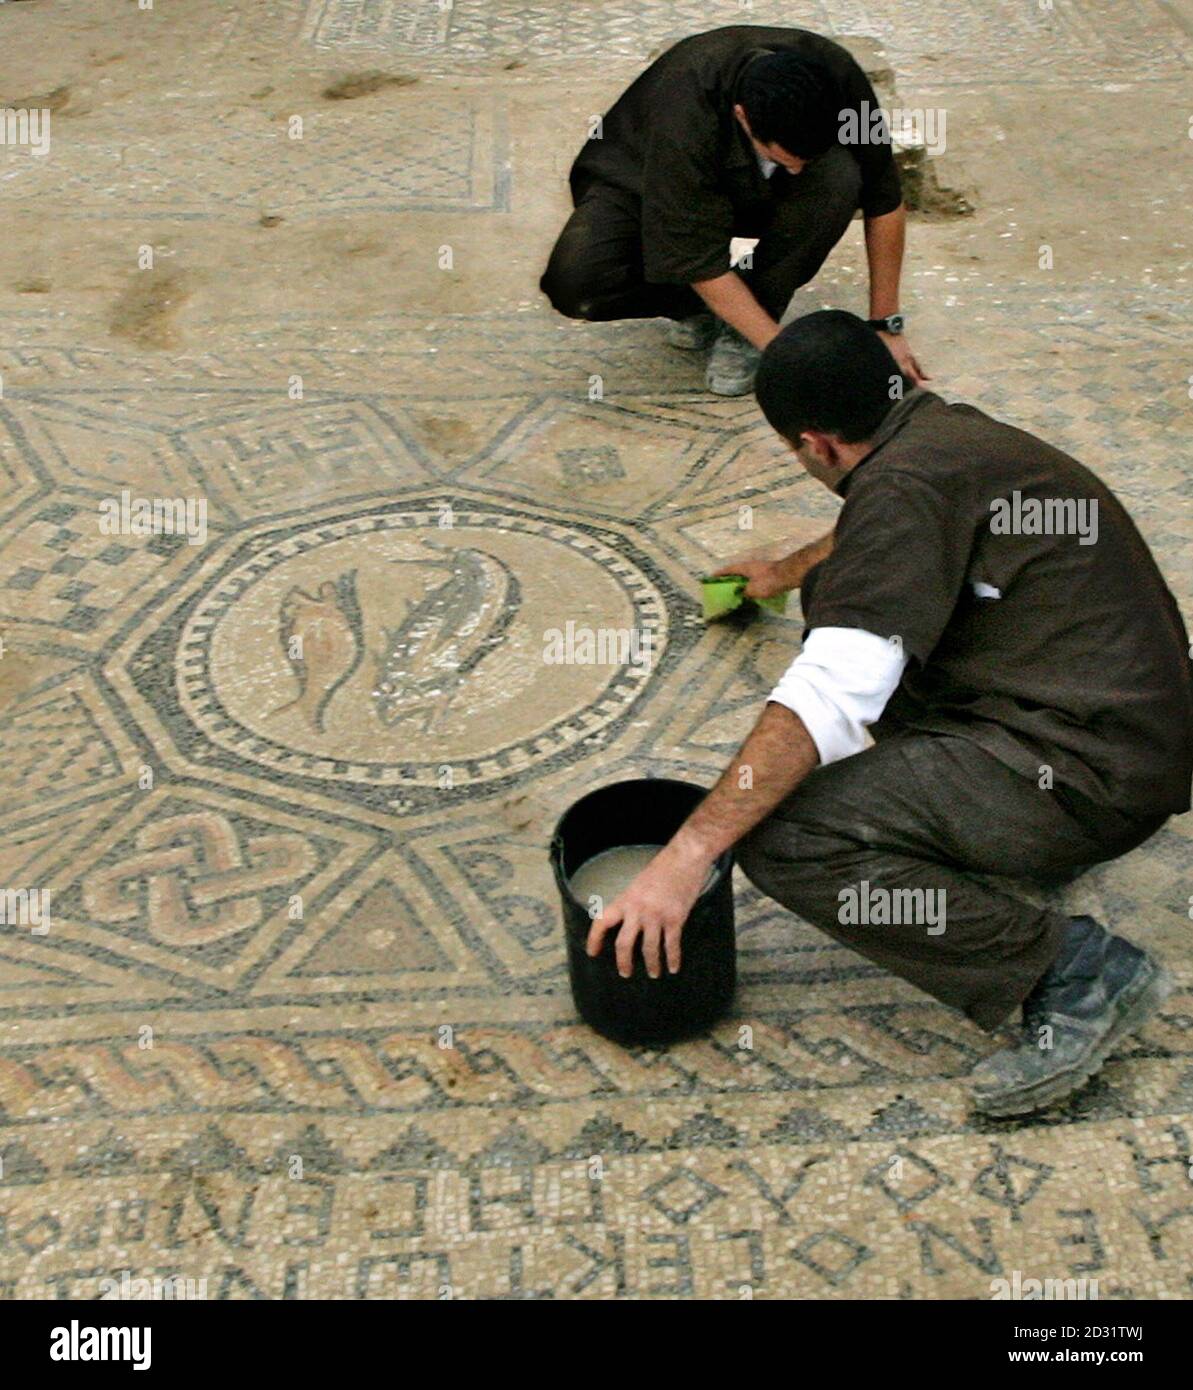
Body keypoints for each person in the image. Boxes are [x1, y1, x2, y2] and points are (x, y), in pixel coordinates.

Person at [587, 310, 1193, 1117]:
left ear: (816, 445)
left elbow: (831, 689)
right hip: (1135, 733)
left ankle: (1072, 970)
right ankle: (1020, 833)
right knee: (855, 614)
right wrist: (781, 569)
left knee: (788, 837)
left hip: (1090, 774)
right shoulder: (944, 439)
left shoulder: (904, 489)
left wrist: (687, 853)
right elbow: (877, 529)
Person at [539, 25, 927, 395]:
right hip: (641, 179)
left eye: (803, 162)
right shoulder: (685, 110)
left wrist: (886, 326)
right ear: (743, 116)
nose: (796, 172)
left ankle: (749, 316)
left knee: (838, 178)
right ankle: (704, 308)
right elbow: (697, 257)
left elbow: (884, 198)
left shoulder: (839, 77)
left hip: (745, 185)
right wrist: (785, 358)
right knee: (576, 281)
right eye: (785, 159)